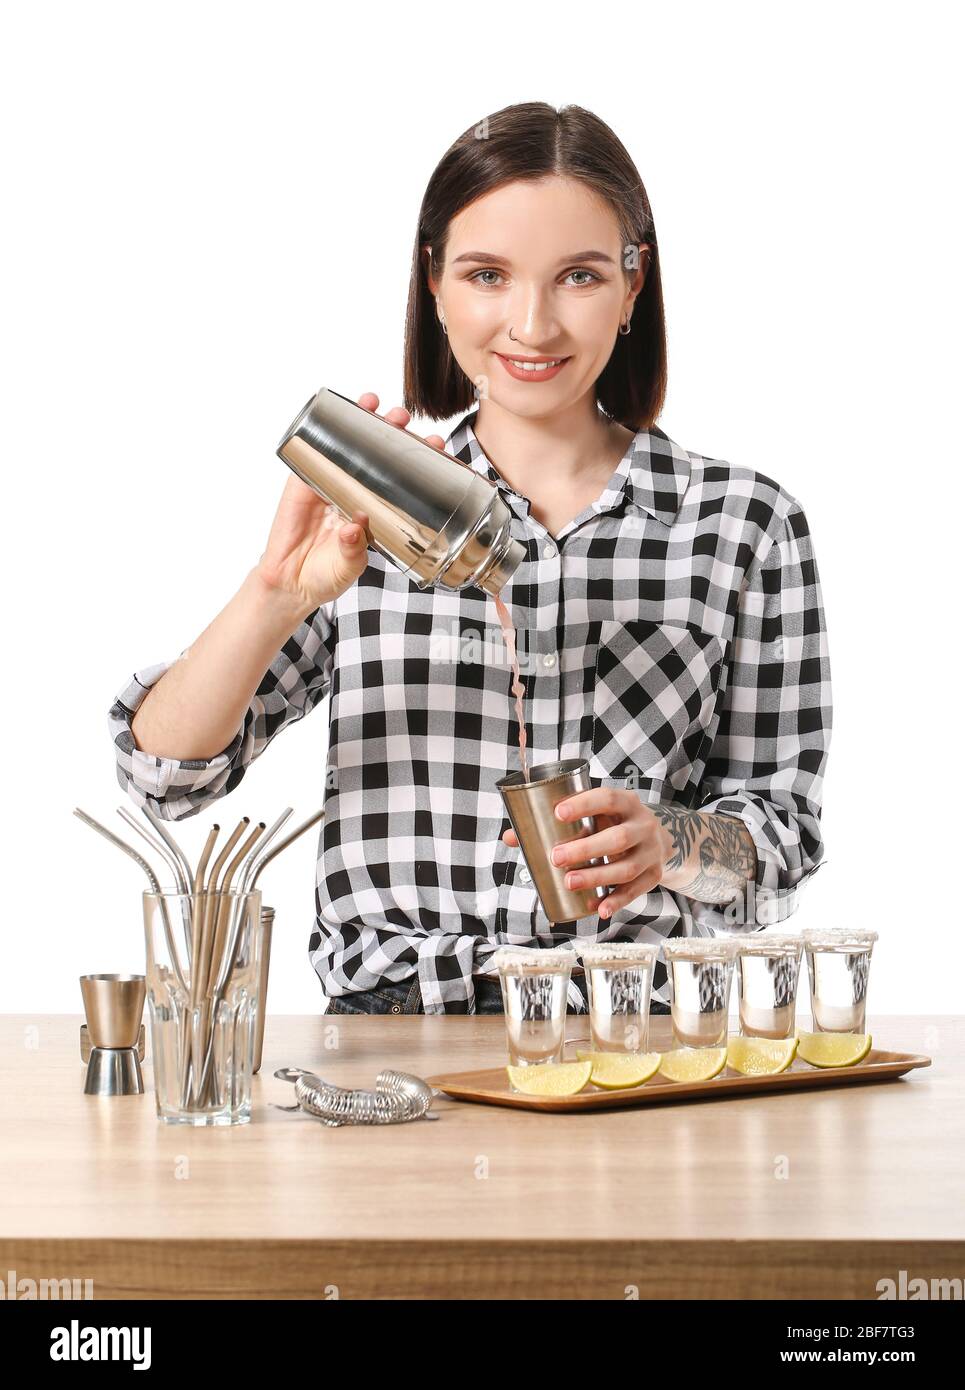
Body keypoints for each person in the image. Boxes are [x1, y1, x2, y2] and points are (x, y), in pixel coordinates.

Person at [108, 101, 832, 1018]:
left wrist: (677, 842)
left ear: (631, 286)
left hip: (636, 1032)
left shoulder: (742, 524)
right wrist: (275, 592)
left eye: (577, 276)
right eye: (488, 275)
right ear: (436, 284)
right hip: (395, 1037)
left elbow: (782, 832)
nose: (530, 325)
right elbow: (166, 775)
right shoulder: (367, 516)